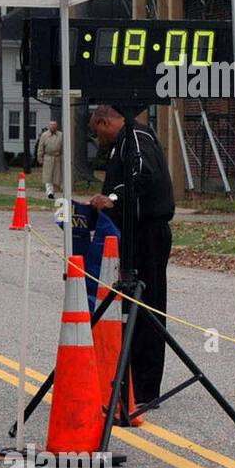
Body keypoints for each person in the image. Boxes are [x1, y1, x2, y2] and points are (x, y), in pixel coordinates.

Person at [88, 104, 175, 408]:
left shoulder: (135, 136)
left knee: (146, 307)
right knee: (128, 307)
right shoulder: (123, 141)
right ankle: (129, 378)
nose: (98, 137)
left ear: (104, 121)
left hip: (147, 233)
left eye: (97, 130)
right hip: (131, 232)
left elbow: (143, 175)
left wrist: (112, 198)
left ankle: (146, 387)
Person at [36, 120, 63, 199]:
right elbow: (40, 147)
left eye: (54, 125)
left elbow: (63, 147)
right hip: (47, 158)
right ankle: (49, 192)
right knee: (48, 177)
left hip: (57, 158)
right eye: (51, 125)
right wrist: (40, 158)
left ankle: (53, 192)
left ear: (56, 126)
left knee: (56, 177)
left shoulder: (61, 135)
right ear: (49, 126)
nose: (53, 127)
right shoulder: (44, 135)